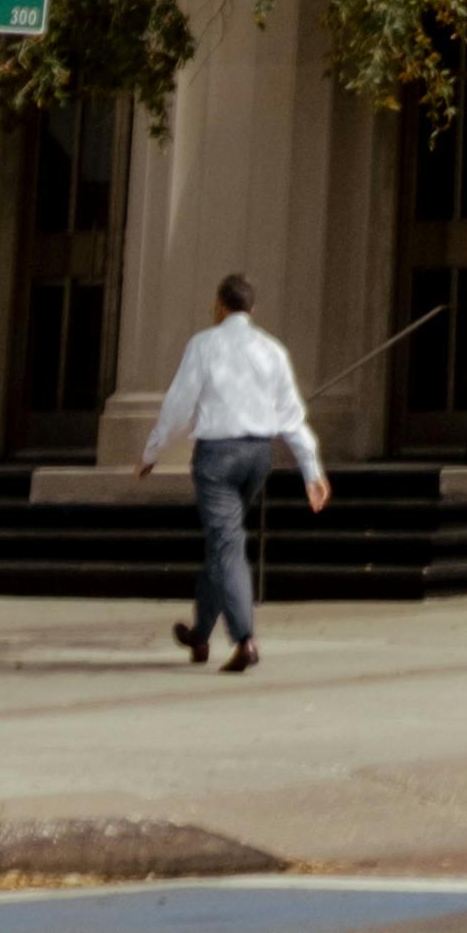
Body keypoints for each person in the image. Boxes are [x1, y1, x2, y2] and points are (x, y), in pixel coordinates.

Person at [137, 267, 326, 672]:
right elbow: (291, 415)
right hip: (258, 455)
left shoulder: (204, 344)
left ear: (219, 307)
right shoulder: (272, 349)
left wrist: (152, 451)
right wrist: (311, 471)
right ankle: (201, 633)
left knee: (227, 543)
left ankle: (244, 639)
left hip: (218, 457)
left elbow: (179, 404)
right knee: (221, 543)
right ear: (251, 308)